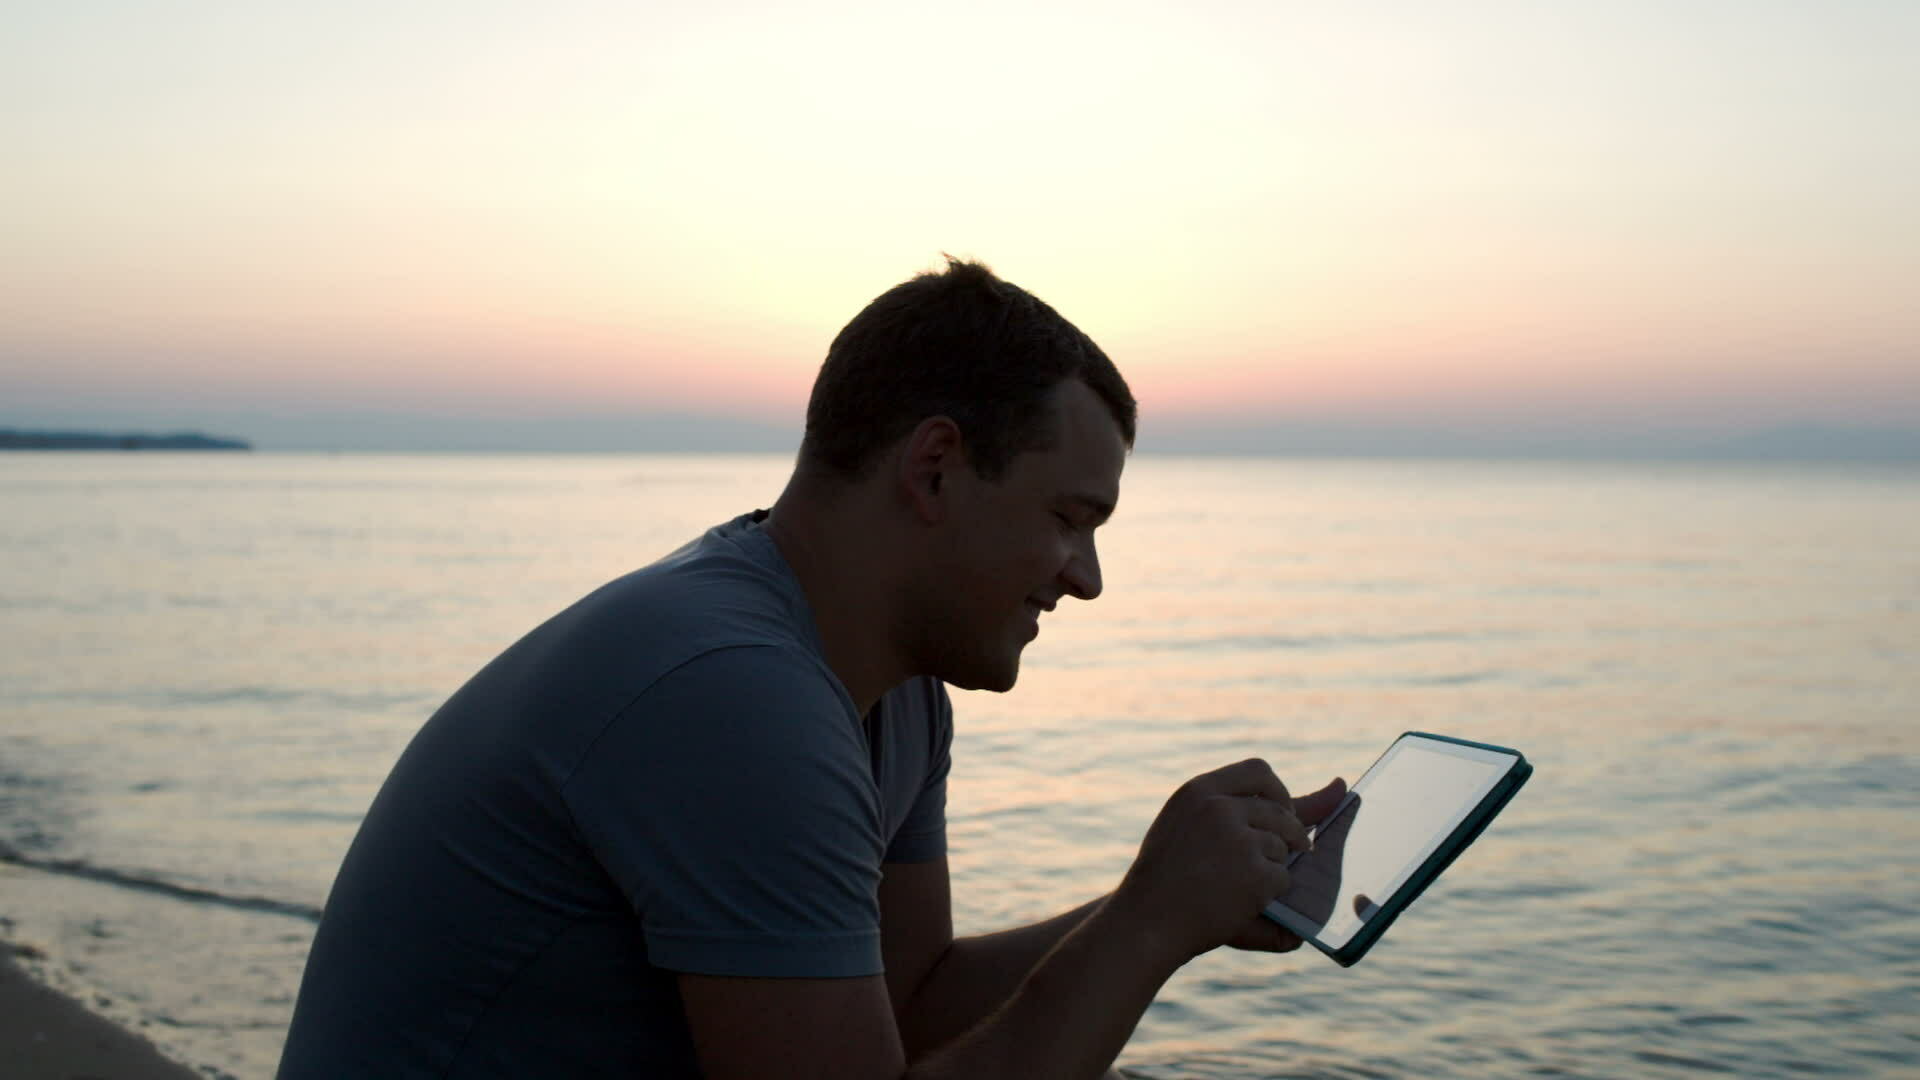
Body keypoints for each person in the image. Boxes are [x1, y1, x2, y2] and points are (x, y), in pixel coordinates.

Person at [276, 257, 1345, 1080]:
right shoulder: (735, 697)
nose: (1089, 577)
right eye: (1070, 518)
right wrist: (1149, 925)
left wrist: (1175, 904)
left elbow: (912, 999)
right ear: (934, 468)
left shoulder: (895, 687)